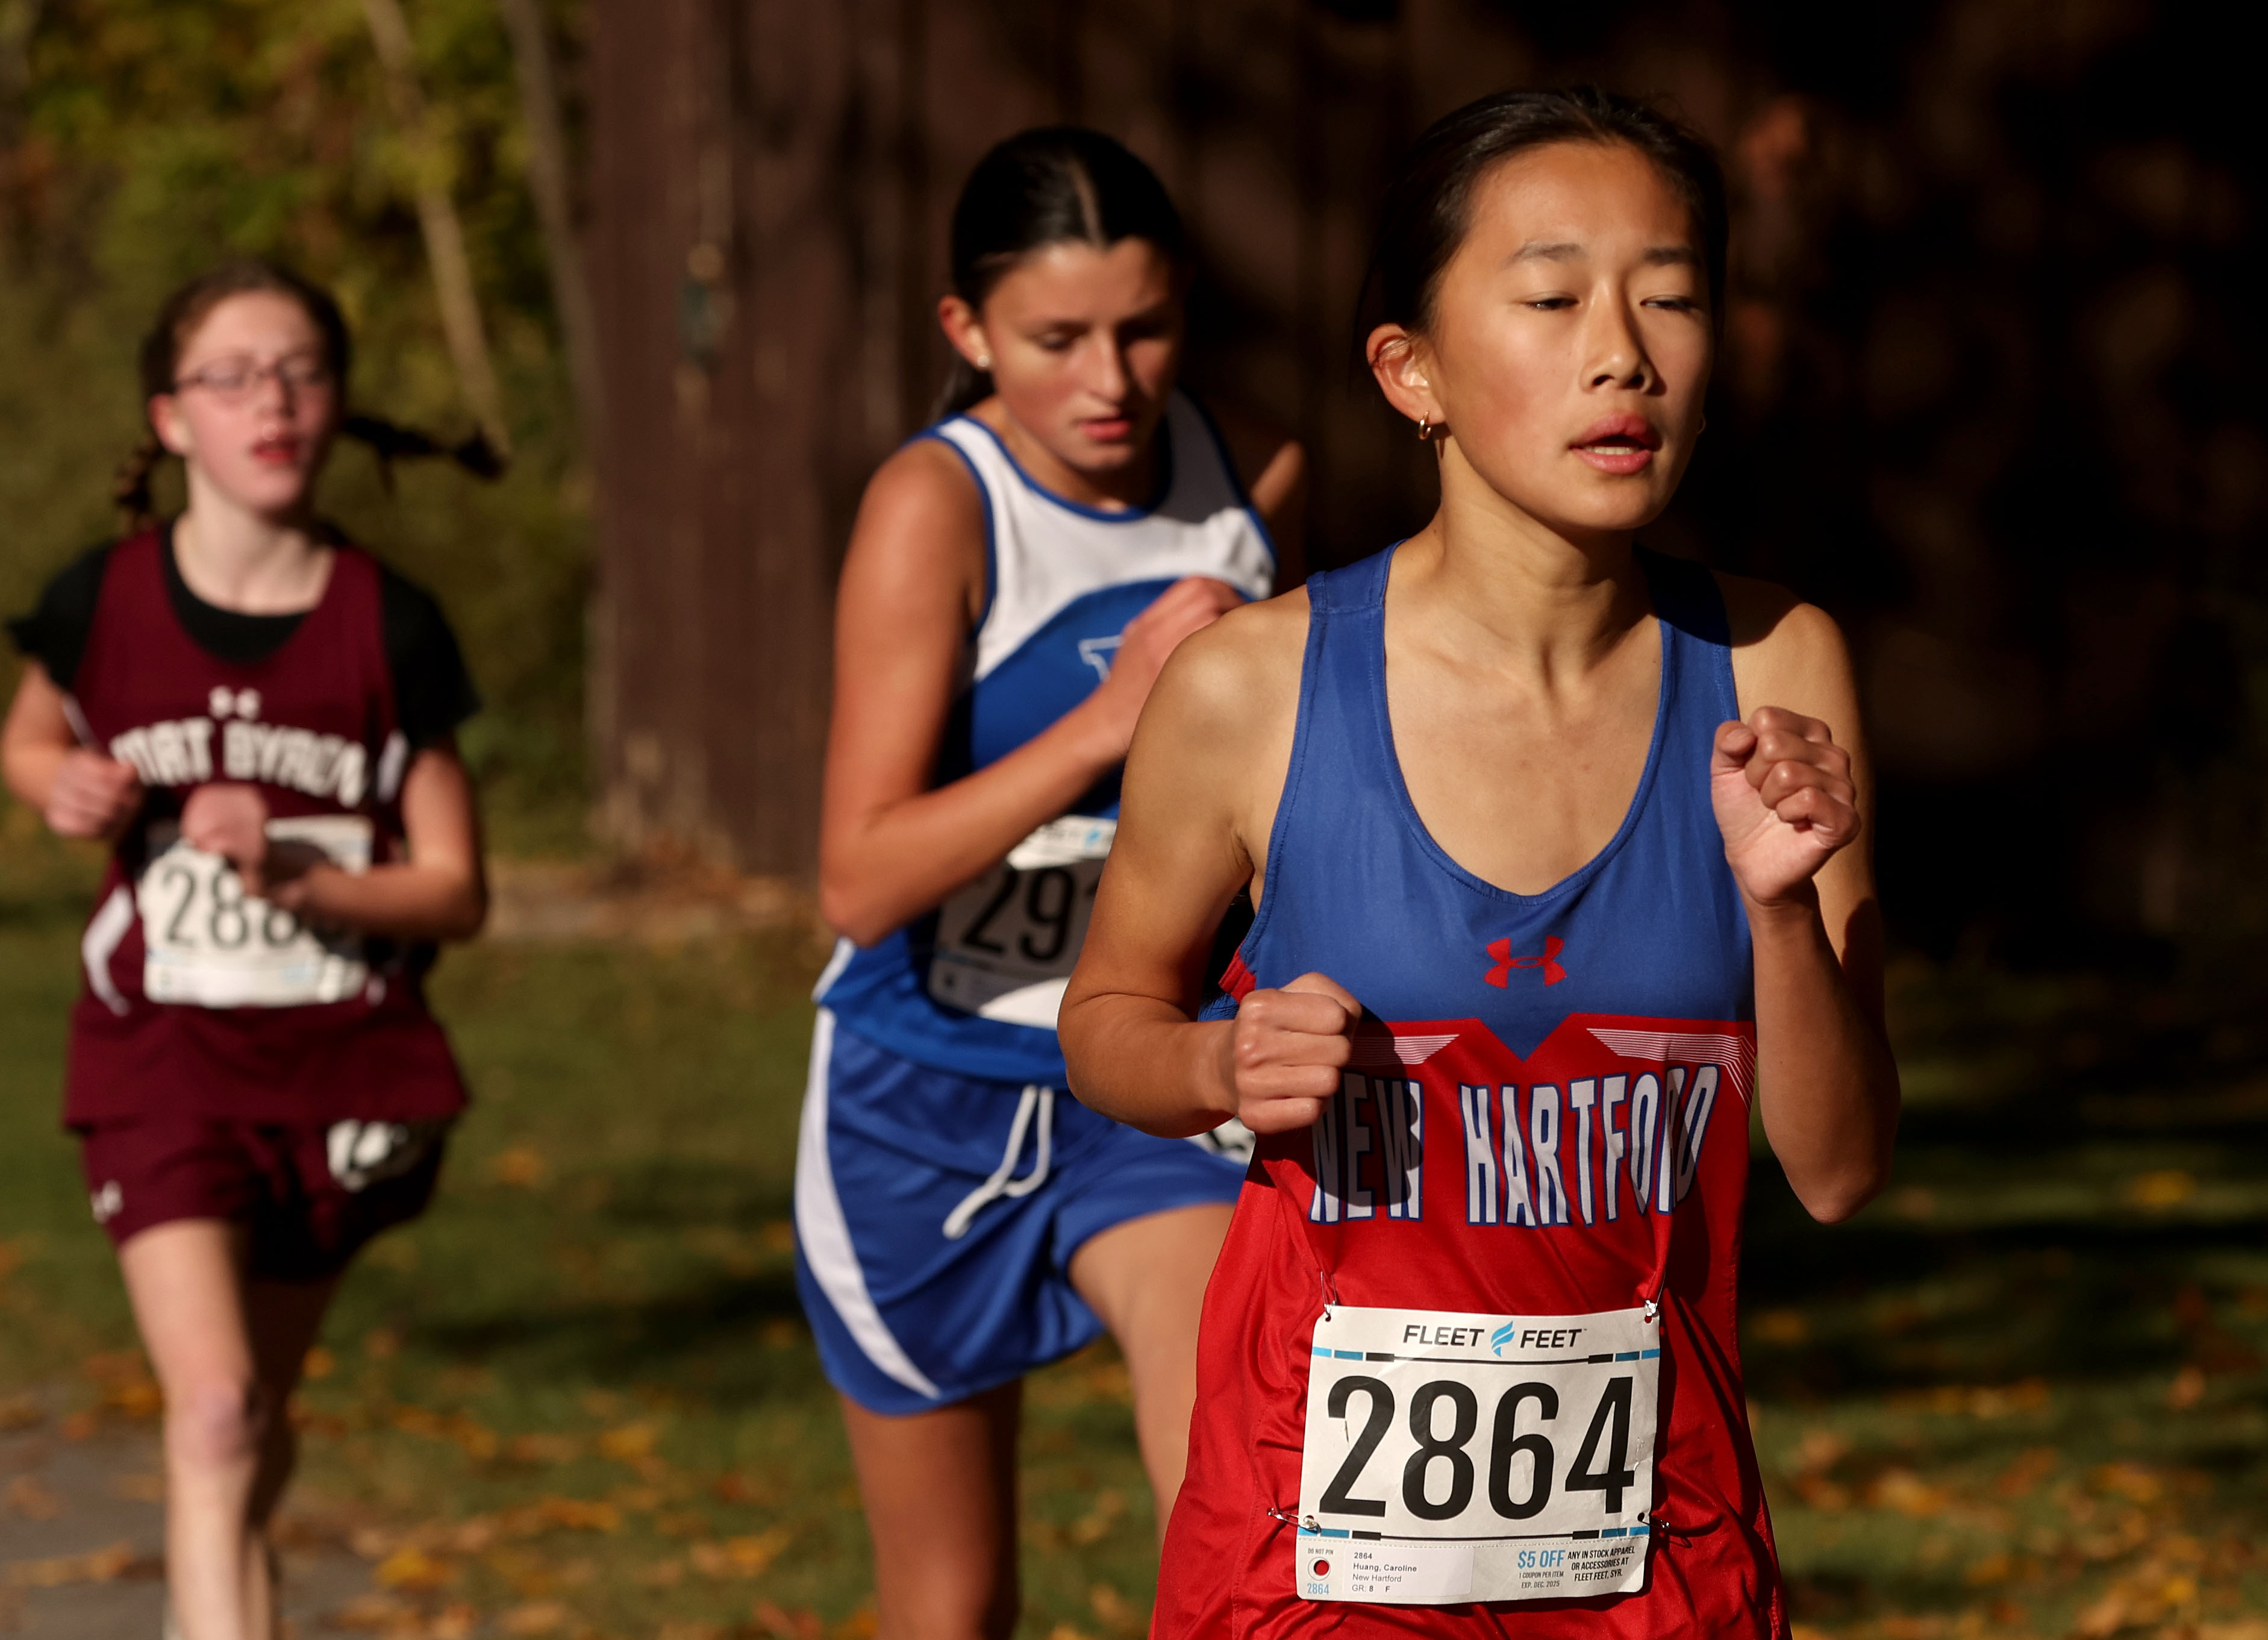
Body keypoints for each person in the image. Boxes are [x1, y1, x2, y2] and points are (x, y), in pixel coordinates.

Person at [1060, 89, 1899, 1638]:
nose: (1622, 354)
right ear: (1413, 371)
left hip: (1658, 1560)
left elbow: (1839, 1171)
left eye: (1668, 297)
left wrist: (1779, 912)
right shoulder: (1252, 686)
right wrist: (1215, 1062)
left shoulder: (1776, 664)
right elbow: (1103, 1020)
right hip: (1308, 1562)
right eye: (1552, 298)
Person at [802, 127, 1305, 1640]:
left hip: (1143, 1071)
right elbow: (857, 876)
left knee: (1232, 1497)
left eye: (1142, 329)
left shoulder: (1250, 477)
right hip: (925, 1087)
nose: (1109, 381)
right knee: (953, 1604)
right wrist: (1105, 721)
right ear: (967, 330)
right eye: (1055, 339)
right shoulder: (937, 503)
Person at [0, 261, 493, 1640]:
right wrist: (56, 782)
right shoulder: (100, 600)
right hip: (159, 1057)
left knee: (250, 1425)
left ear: (336, 406)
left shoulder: (391, 623)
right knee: (214, 1410)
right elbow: (31, 734)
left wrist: (299, 873)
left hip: (342, 1072)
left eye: (299, 372)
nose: (268, 400)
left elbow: (456, 890)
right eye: (230, 376)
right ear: (170, 419)